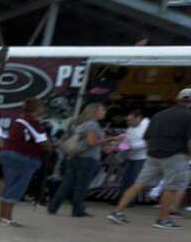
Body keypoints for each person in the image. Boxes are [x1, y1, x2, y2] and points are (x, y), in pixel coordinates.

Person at [108, 89, 191, 230]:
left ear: (178, 99)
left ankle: (117, 212)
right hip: (176, 155)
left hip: (153, 155)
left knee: (138, 184)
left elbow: (147, 136)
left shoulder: (159, 114)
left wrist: (152, 151)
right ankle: (163, 219)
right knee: (171, 187)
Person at [47, 103, 117, 218]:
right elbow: (91, 143)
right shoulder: (93, 125)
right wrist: (111, 139)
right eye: (102, 110)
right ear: (95, 112)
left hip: (74, 157)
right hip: (88, 159)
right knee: (82, 186)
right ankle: (77, 210)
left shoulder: (80, 125)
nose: (104, 112)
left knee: (67, 184)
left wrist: (110, 145)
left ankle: (53, 206)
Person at [0, 99, 51, 226]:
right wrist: (51, 147)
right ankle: (7, 218)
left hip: (8, 153)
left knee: (9, 184)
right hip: (23, 156)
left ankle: (2, 216)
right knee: (18, 186)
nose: (43, 110)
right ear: (37, 109)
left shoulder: (19, 121)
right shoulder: (33, 122)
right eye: (42, 107)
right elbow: (43, 142)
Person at [117, 108, 150, 204]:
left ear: (138, 118)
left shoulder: (148, 126)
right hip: (130, 157)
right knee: (125, 179)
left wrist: (130, 146)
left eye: (130, 120)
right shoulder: (131, 127)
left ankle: (129, 201)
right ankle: (121, 199)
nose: (128, 122)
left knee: (134, 180)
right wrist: (121, 147)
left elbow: (147, 142)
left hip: (141, 158)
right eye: (127, 120)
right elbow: (126, 140)